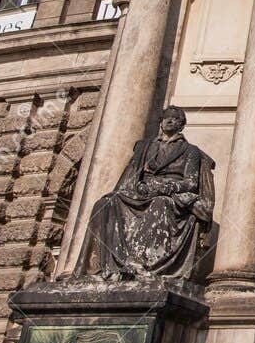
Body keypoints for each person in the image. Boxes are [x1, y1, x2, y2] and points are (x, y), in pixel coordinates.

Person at [85, 106, 214, 281]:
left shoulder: (190, 151)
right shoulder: (145, 147)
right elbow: (132, 176)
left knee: (160, 203)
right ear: (161, 121)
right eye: (166, 117)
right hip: (142, 192)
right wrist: (139, 186)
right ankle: (108, 267)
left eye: (175, 118)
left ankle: (146, 264)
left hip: (168, 195)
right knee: (105, 204)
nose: (169, 120)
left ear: (182, 126)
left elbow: (191, 183)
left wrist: (167, 187)